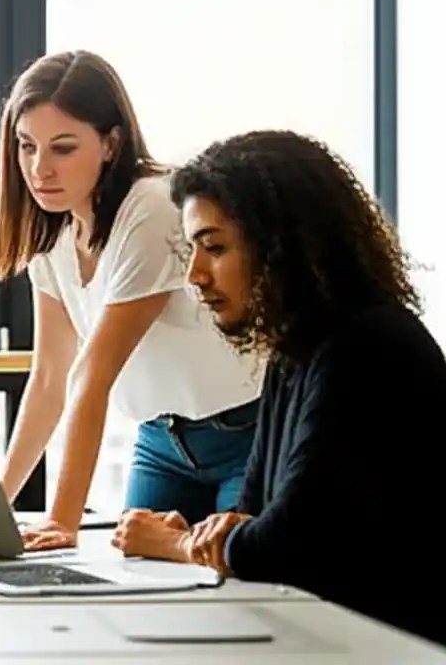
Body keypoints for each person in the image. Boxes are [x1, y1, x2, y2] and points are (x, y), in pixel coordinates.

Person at [112, 129, 446, 646]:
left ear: (281, 246)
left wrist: (177, 543)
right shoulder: (297, 351)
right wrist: (213, 537)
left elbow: (287, 543)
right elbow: (248, 516)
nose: (196, 276)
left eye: (215, 248)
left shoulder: (368, 346)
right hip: (332, 634)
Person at [0, 50, 262, 551]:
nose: (39, 169)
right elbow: (50, 376)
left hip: (244, 435)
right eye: (26, 147)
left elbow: (93, 372)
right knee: (142, 585)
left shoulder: (153, 208)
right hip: (161, 442)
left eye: (63, 148)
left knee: (234, 588)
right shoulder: (52, 238)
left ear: (111, 143)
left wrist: (62, 522)